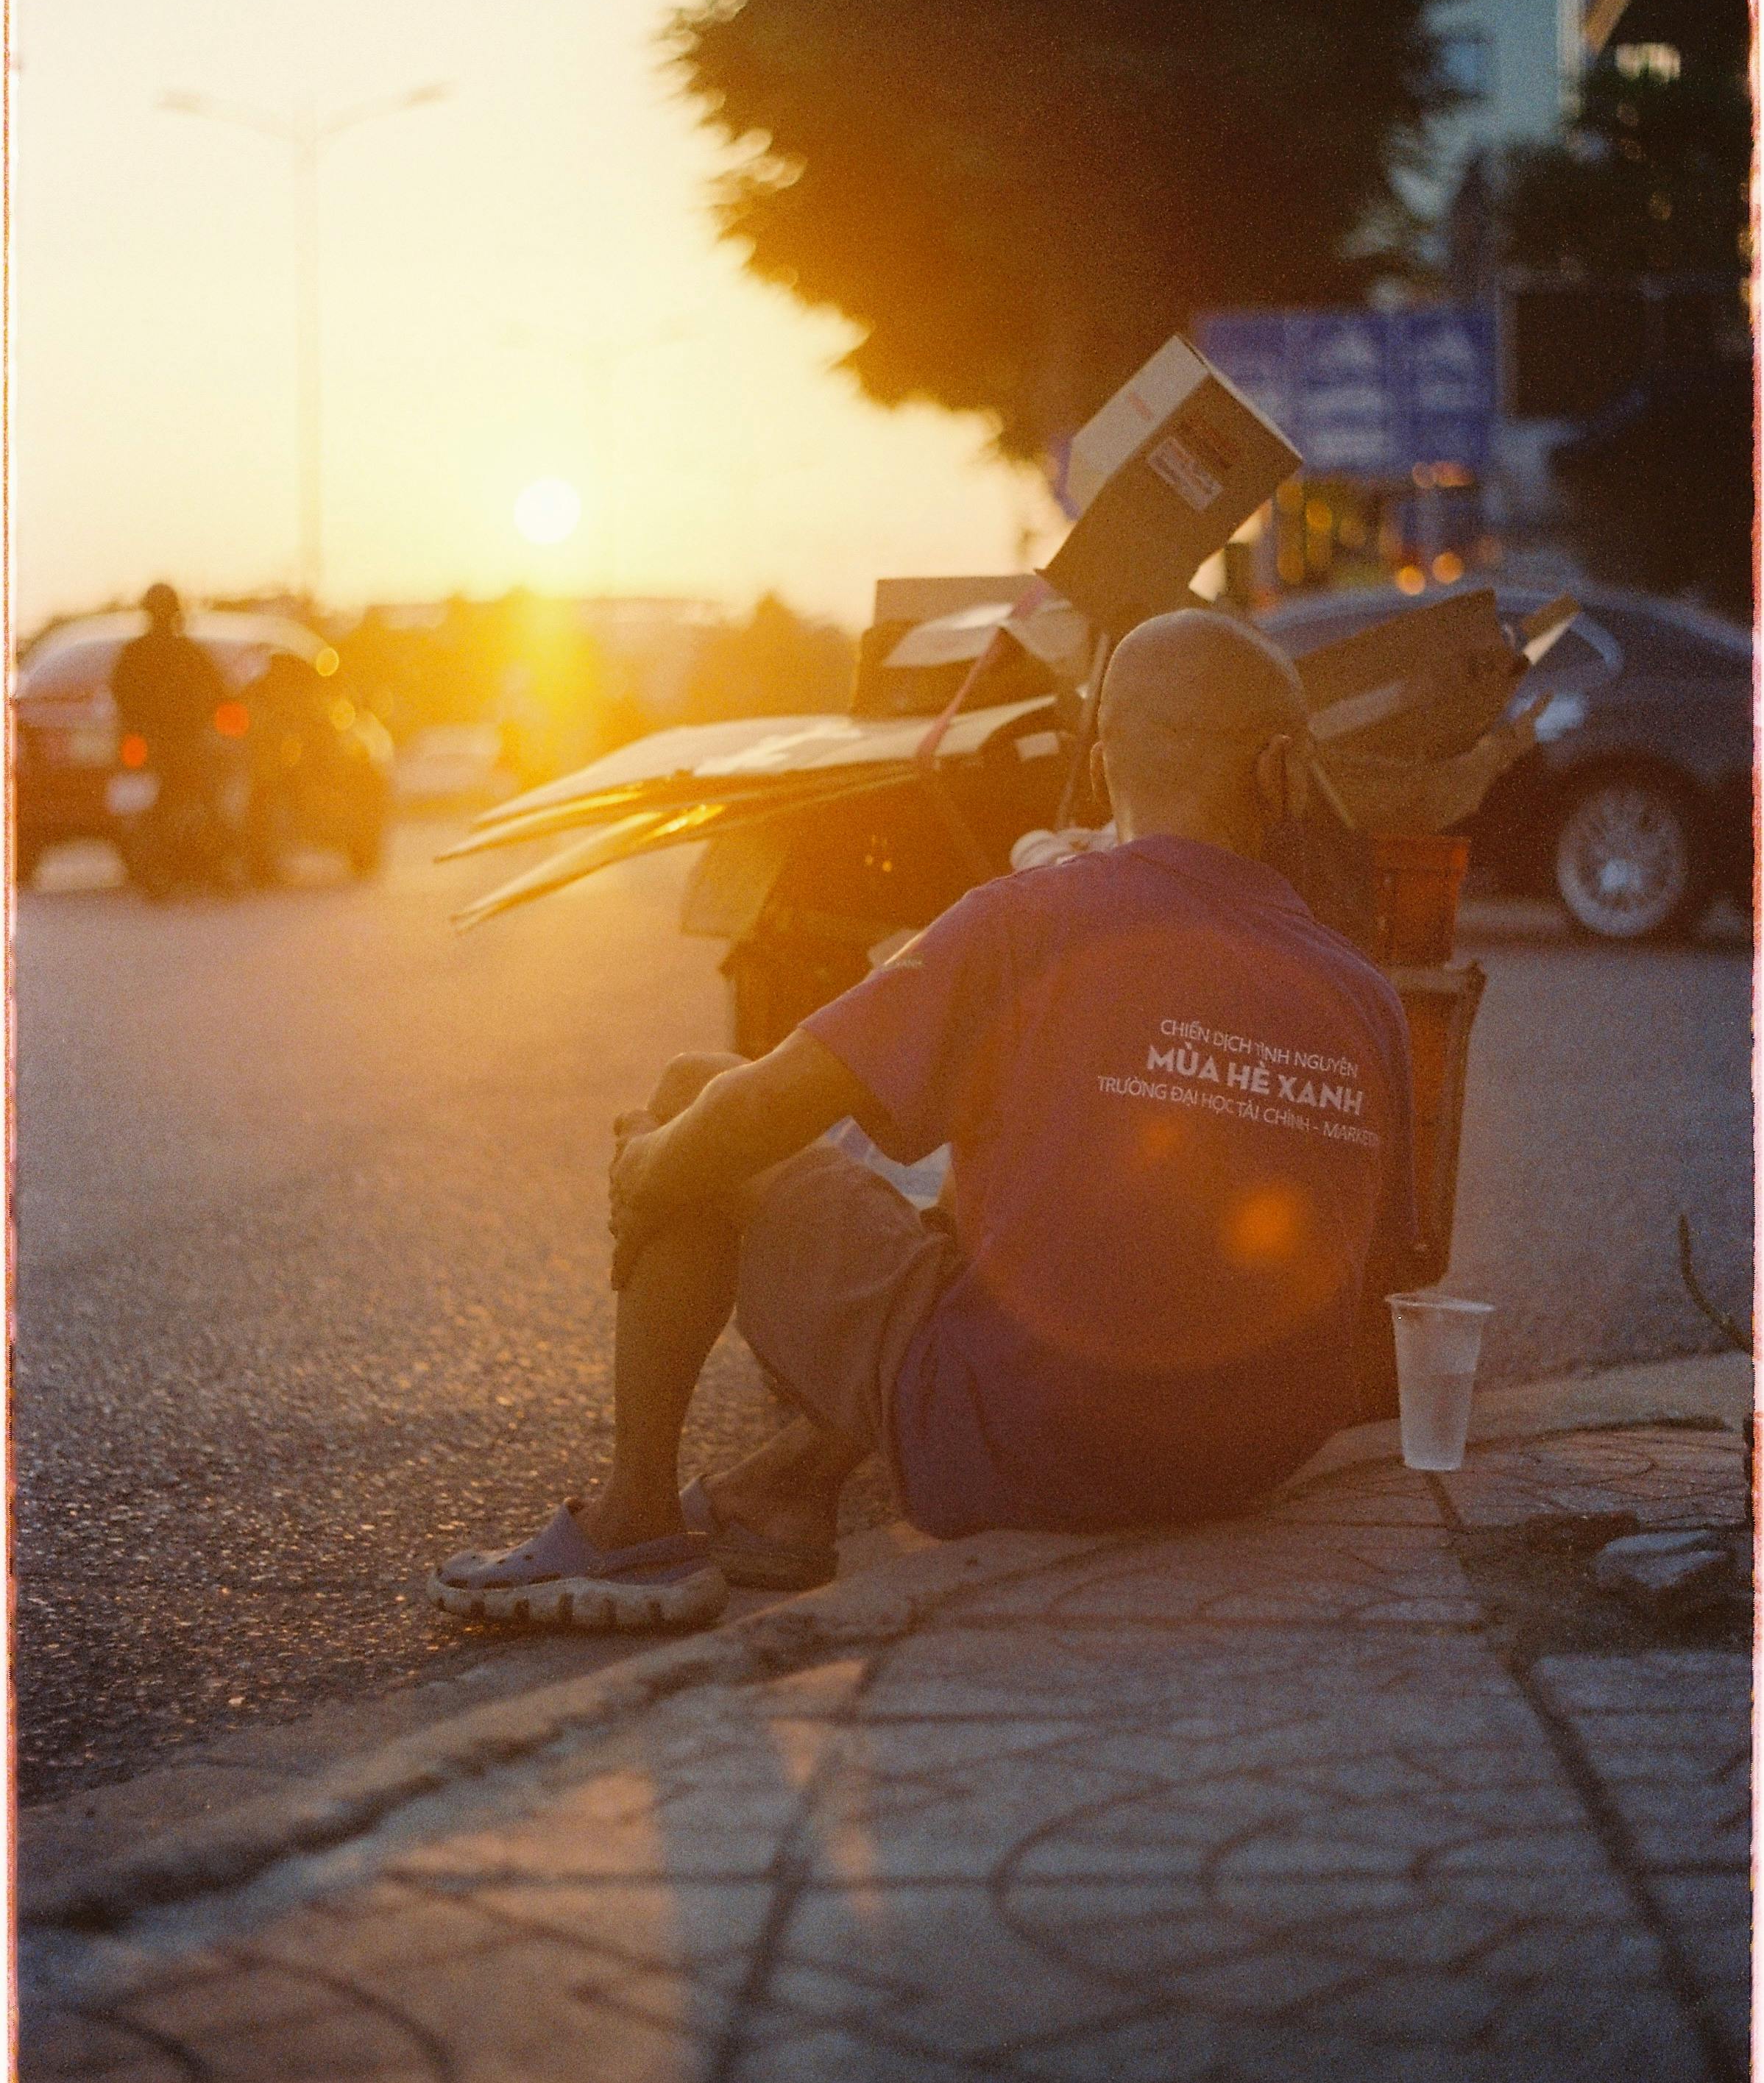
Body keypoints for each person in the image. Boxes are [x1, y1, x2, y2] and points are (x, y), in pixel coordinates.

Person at [430, 609, 1421, 1633]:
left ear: (1096, 756)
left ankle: (629, 1524)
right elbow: (1381, 1267)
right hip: (1252, 1459)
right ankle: (780, 1495)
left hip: (1027, 1447)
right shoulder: (1365, 994)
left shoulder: (1025, 916)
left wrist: (650, 1170)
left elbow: (761, 1106)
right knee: (994, 1207)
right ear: (1284, 771)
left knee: (693, 1096)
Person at [110, 584, 229, 890]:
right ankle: (214, 867)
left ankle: (212, 866)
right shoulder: (180, 652)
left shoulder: (143, 653)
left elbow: (217, 694)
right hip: (167, 745)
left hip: (173, 743)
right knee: (205, 800)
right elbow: (219, 692)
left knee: (205, 799)